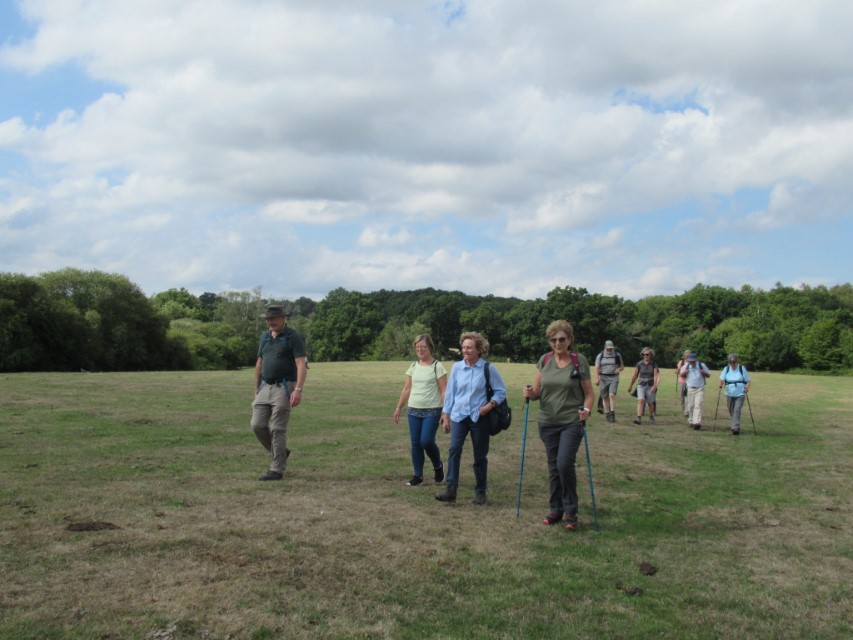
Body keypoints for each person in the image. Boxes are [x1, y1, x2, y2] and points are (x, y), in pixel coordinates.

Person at [522, 321, 594, 531]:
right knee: (554, 467)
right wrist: (530, 394)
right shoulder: (544, 361)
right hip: (547, 421)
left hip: (571, 421)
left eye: (562, 339)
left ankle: (571, 510)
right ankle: (556, 509)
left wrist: (586, 411)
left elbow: (589, 393)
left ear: (570, 340)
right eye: (553, 340)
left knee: (564, 463)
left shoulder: (578, 361)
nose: (558, 343)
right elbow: (537, 392)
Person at [435, 332, 506, 506]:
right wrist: (446, 414)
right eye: (464, 347)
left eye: (469, 347)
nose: (465, 350)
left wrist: (489, 406)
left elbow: (500, 391)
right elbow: (450, 393)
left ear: (479, 349)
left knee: (480, 455)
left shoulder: (487, 368)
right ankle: (451, 489)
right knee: (454, 450)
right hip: (459, 415)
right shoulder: (457, 368)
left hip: (478, 417)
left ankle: (480, 492)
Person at [251, 304, 308, 481]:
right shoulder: (265, 337)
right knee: (257, 425)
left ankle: (277, 469)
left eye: (274, 318)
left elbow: (301, 364)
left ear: (283, 318)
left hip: (284, 387)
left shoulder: (293, 336)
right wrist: (256, 389)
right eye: (268, 319)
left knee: (277, 428)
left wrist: (298, 389)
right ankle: (281, 452)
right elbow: (259, 363)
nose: (271, 322)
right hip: (265, 387)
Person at [393, 334, 447, 486]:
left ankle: (438, 466)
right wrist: (398, 408)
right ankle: (418, 476)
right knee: (416, 443)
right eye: (417, 347)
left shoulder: (437, 366)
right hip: (414, 410)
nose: (420, 349)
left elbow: (444, 391)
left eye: (423, 346)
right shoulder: (413, 366)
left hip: (432, 410)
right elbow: (407, 389)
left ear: (430, 347)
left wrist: (445, 412)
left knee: (426, 441)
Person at [719, 353, 751, 435]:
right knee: (731, 410)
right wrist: (721, 384)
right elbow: (722, 379)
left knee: (737, 410)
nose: (733, 364)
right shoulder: (726, 369)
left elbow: (748, 380)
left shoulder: (741, 368)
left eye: (734, 362)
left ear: (737, 361)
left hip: (740, 393)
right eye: (731, 362)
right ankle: (735, 423)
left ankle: (735, 428)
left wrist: (746, 388)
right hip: (729, 393)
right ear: (728, 362)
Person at [627, 348, 660, 425]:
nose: (645, 356)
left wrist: (655, 385)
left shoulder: (654, 364)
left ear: (651, 355)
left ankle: (651, 416)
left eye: (647, 354)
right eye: (644, 354)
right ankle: (638, 418)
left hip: (650, 386)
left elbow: (655, 375)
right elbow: (635, 375)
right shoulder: (639, 364)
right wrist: (630, 385)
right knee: (640, 400)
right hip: (641, 385)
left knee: (650, 403)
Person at [594, 340, 624, 423]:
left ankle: (612, 413)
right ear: (605, 348)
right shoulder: (600, 356)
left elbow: (622, 366)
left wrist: (619, 369)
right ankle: (607, 413)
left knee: (612, 395)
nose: (610, 350)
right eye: (608, 349)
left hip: (614, 377)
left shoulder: (617, 355)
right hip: (603, 377)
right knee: (604, 396)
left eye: (611, 349)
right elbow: (597, 367)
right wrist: (597, 378)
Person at [681, 352, 711, 430]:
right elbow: (681, 374)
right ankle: (691, 420)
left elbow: (709, 375)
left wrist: (704, 373)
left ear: (696, 360)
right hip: (690, 387)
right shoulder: (686, 366)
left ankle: (696, 422)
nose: (692, 363)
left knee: (698, 405)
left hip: (700, 388)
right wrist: (685, 372)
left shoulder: (702, 365)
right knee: (691, 405)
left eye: (693, 361)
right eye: (690, 361)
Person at [676, 349, 691, 417]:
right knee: (682, 395)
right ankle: (684, 408)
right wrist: (678, 371)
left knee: (688, 396)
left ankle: (687, 411)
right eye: (686, 356)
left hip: (689, 381)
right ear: (684, 356)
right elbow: (678, 371)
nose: (687, 357)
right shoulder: (681, 362)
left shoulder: (692, 363)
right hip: (682, 381)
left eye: (688, 356)